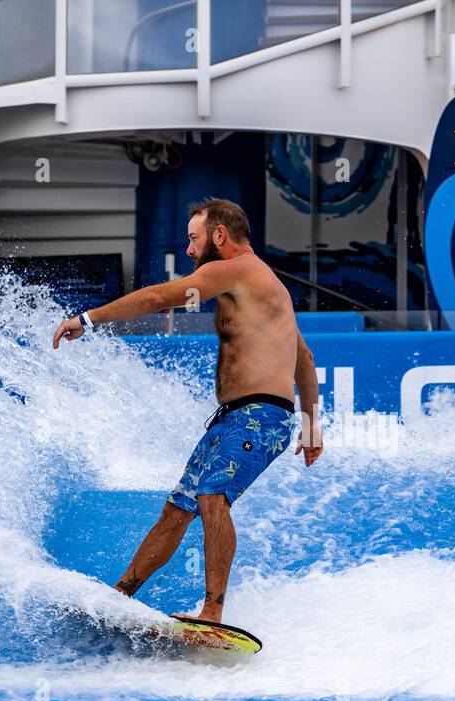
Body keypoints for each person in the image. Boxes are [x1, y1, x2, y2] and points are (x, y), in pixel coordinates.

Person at [52, 198, 323, 623]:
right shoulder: (263, 284)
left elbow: (160, 296)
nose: (190, 251)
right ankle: (120, 595)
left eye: (194, 239)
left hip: (260, 416)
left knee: (213, 495)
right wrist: (310, 425)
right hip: (236, 417)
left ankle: (212, 613)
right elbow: (303, 358)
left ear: (219, 236)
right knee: (178, 508)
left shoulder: (234, 268)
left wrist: (87, 319)